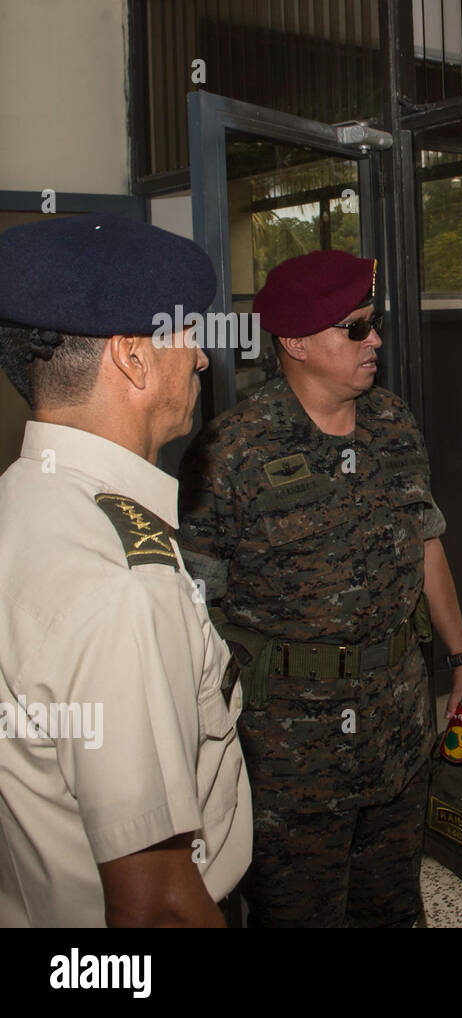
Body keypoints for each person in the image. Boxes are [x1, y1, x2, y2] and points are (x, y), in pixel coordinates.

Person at [178, 249, 462, 928]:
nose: (374, 339)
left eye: (371, 323)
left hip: (398, 736)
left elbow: (426, 542)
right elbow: (190, 613)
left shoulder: (394, 425)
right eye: (355, 328)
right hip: (288, 760)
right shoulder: (230, 452)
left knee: (394, 911)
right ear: (294, 341)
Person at [0, 214, 252, 927]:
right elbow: (156, 908)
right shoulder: (120, 581)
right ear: (134, 361)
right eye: (186, 336)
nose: (202, 359)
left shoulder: (23, 506)